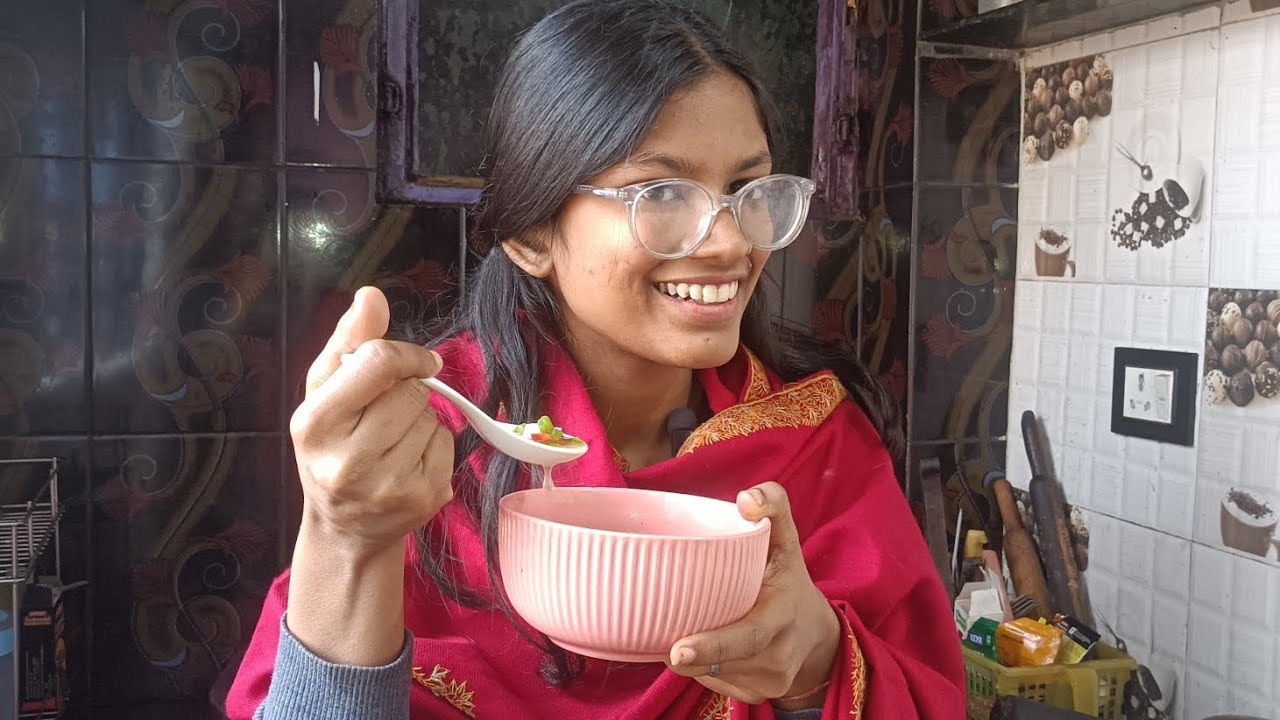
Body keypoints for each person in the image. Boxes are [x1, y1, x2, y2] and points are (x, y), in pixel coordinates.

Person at [226, 1, 965, 718]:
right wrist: (346, 535)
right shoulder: (422, 441)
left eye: (744, 189)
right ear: (531, 236)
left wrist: (814, 670)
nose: (732, 244)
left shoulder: (815, 441)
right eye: (662, 192)